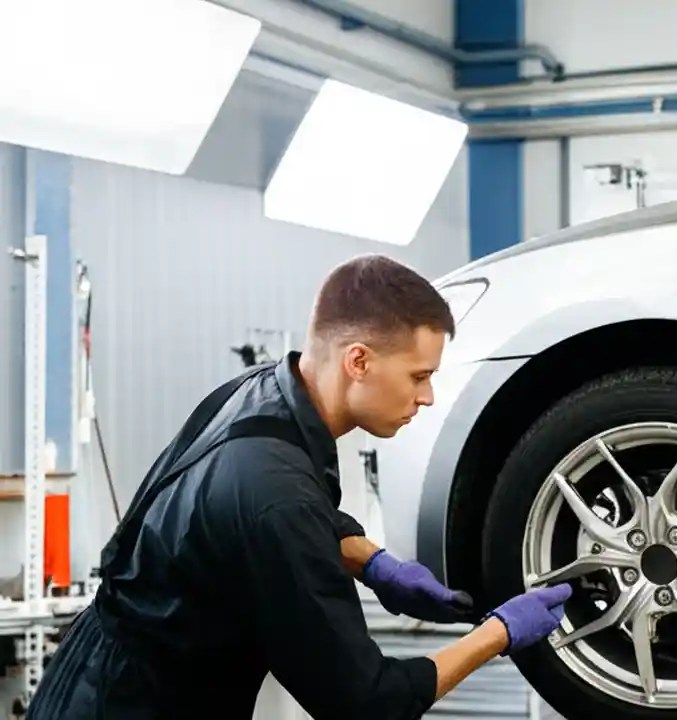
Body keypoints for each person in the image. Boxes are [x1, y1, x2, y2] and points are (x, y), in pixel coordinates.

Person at [28, 254, 572, 719]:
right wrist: (497, 634)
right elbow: (365, 702)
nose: (426, 397)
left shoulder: (261, 394)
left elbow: (290, 516)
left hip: (100, 671)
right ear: (358, 360)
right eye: (419, 375)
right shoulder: (275, 491)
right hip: (132, 705)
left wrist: (374, 564)